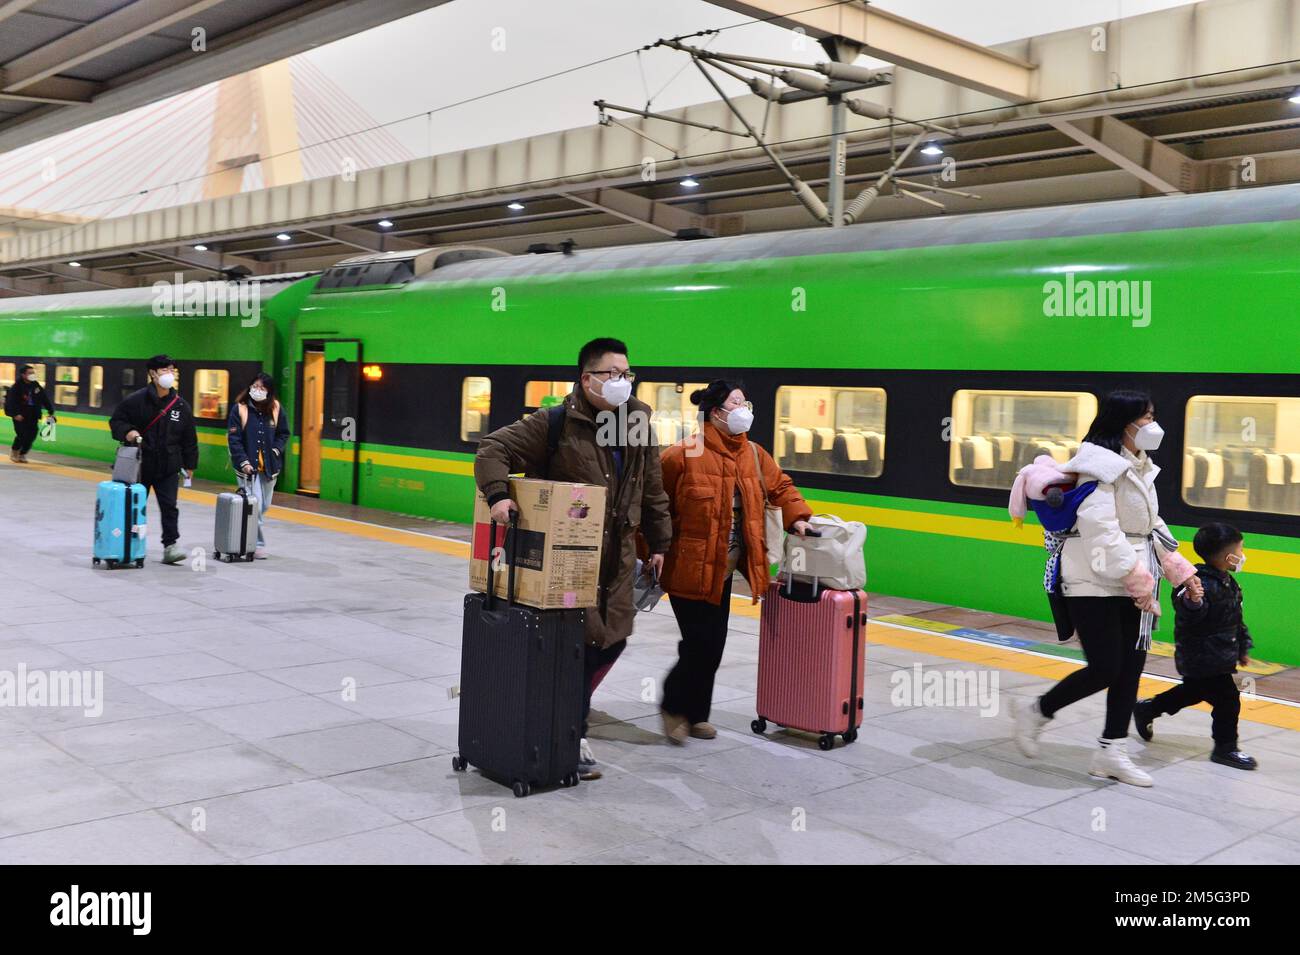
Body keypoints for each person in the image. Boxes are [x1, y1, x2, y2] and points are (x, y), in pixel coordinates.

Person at [474, 337, 672, 778]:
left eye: (627, 374)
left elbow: (652, 486)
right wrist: (497, 495)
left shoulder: (636, 421)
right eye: (612, 375)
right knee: (573, 646)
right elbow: (492, 449)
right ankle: (569, 735)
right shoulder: (556, 423)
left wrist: (659, 544)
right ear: (587, 379)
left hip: (618, 557)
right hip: (569, 556)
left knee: (613, 638)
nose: (623, 382)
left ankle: (568, 722)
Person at [1012, 389, 1200, 787]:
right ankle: (1037, 711)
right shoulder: (1099, 467)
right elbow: (1101, 530)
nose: (1153, 425)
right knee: (1105, 667)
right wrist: (1138, 580)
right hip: (1092, 579)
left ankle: (1111, 751)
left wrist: (1181, 570)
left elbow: (1150, 526)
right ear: (1125, 423)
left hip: (1131, 576)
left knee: (1131, 666)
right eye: (1146, 418)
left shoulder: (1140, 466)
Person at [657, 380, 812, 744]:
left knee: (714, 644)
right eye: (737, 403)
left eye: (746, 402)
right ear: (716, 413)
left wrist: (798, 517)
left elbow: (782, 488)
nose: (745, 410)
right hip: (687, 567)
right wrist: (652, 552)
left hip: (724, 570)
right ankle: (672, 706)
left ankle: (696, 715)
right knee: (699, 643)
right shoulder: (681, 455)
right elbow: (655, 506)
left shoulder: (754, 455)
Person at [1133, 523, 1258, 770]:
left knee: (1192, 692)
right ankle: (1225, 748)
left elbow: (1235, 618)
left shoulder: (1229, 582)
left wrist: (1242, 646)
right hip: (1201, 655)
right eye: (1241, 550)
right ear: (1228, 557)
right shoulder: (1193, 583)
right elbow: (1190, 613)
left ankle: (1148, 709)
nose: (1243, 556)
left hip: (1219, 654)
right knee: (1228, 700)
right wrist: (1194, 602)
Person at [108, 355, 199, 565]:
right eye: (164, 370)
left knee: (170, 506)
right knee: (134, 506)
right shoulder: (135, 400)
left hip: (168, 466)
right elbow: (116, 422)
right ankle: (129, 544)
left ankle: (171, 546)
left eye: (171, 370)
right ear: (152, 374)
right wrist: (128, 432)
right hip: (140, 465)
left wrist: (190, 464)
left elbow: (189, 437)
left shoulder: (180, 405)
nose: (169, 374)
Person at [227, 372, 289, 559]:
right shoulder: (240, 410)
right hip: (248, 469)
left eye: (262, 388)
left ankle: (244, 535)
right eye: (255, 386)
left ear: (269, 392)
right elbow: (234, 439)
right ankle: (256, 545)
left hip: (269, 468)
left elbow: (283, 433)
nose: (258, 390)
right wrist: (244, 462)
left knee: (263, 506)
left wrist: (276, 451)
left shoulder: (276, 409)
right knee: (256, 505)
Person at [5, 364, 55, 463]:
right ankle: (15, 451)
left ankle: (22, 453)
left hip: (33, 414)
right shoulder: (16, 387)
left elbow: (43, 398)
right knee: (22, 435)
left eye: (33, 373)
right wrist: (15, 414)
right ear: (23, 375)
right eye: (30, 373)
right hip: (20, 415)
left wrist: (50, 410)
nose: (33, 375)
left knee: (32, 435)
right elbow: (10, 402)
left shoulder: (35, 385)